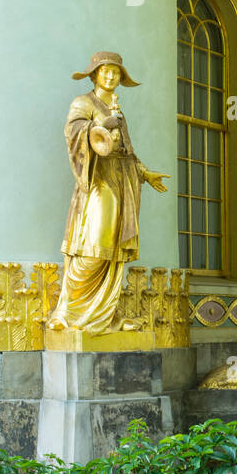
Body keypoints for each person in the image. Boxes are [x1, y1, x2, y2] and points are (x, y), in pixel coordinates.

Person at [48, 51, 168, 334]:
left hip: (122, 181)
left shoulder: (118, 109)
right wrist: (100, 125)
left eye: (117, 72)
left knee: (113, 250)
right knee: (95, 247)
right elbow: (73, 133)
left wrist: (145, 173)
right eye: (106, 71)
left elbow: (127, 151)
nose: (112, 76)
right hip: (98, 181)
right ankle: (67, 314)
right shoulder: (83, 103)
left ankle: (106, 317)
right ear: (94, 74)